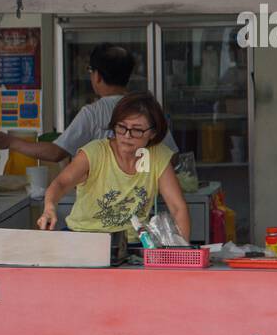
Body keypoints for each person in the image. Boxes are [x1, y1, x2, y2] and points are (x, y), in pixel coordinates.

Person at [0, 44, 176, 163]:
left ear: (97, 76)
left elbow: (57, 152)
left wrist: (10, 142)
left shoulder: (93, 113)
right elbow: (171, 156)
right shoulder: (148, 109)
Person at [37, 92, 189, 240]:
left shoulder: (157, 156)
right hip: (84, 237)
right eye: (121, 127)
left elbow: (177, 208)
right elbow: (61, 183)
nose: (127, 136)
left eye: (137, 130)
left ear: (153, 133)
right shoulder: (95, 152)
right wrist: (49, 207)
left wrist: (181, 250)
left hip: (131, 244)